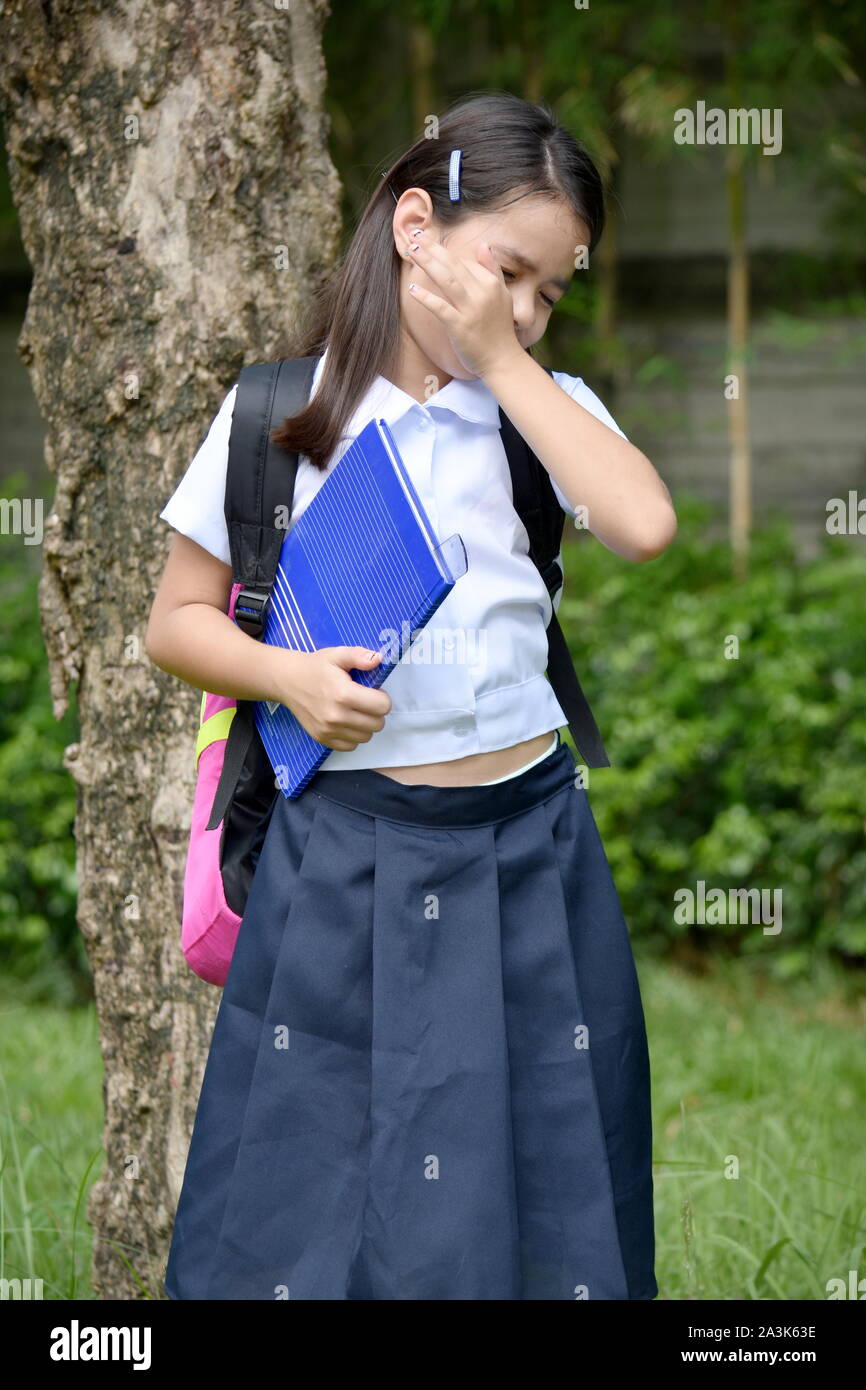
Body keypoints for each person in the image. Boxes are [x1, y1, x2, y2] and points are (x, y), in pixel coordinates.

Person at [146, 89, 677, 1301]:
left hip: (529, 849)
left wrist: (501, 353)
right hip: (346, 853)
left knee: (547, 1161)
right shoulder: (277, 416)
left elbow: (644, 522)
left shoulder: (538, 414)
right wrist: (284, 676)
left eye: (553, 291)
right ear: (414, 227)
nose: (530, 310)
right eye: (511, 272)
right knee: (310, 1177)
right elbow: (173, 624)